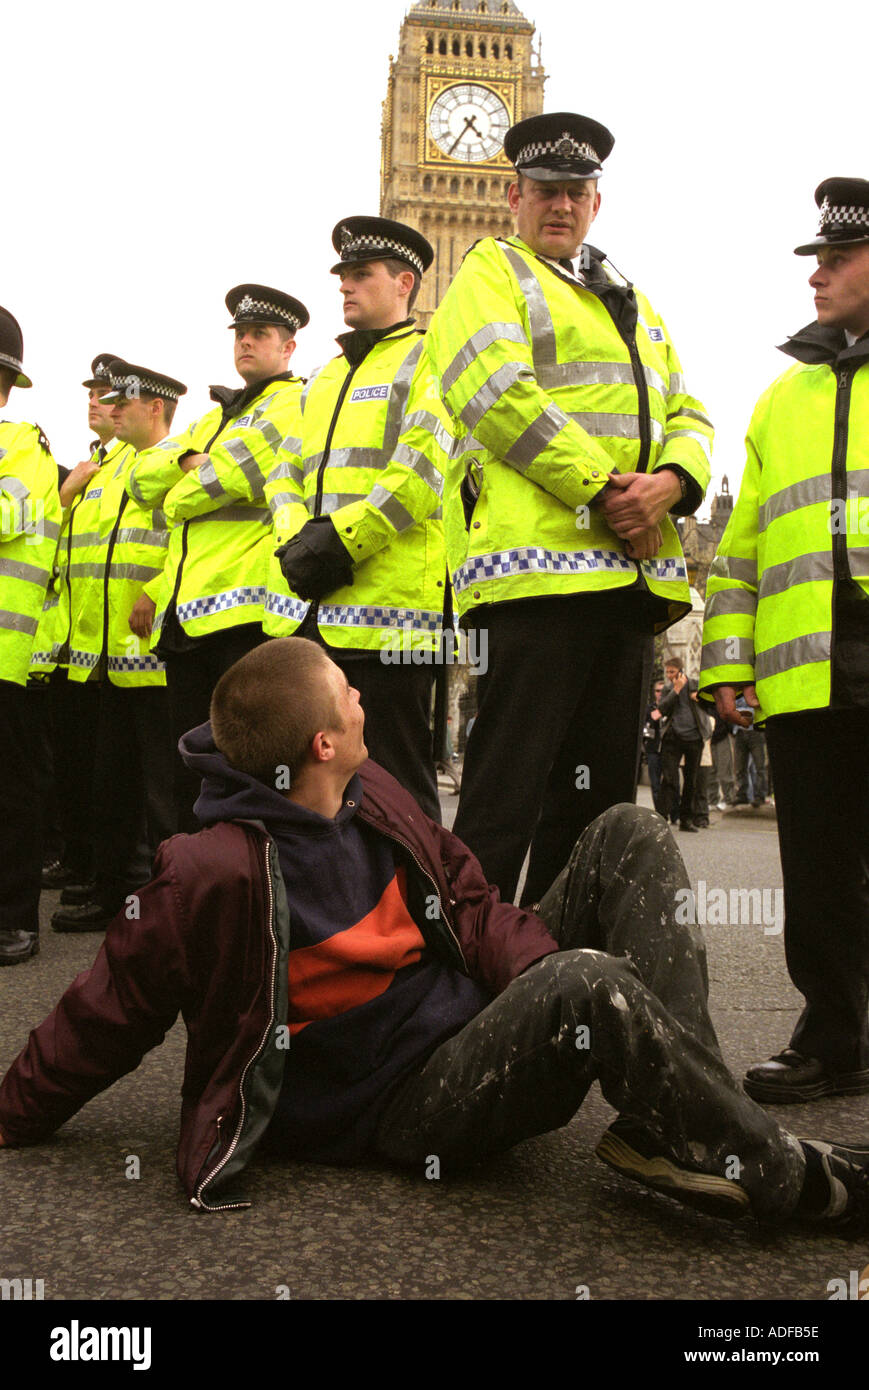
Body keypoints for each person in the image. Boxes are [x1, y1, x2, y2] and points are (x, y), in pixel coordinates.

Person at [0, 636, 867, 1237]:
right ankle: (783, 1176)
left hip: (465, 1015)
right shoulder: (207, 871)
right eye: (347, 687)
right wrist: (11, 1113)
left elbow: (471, 902)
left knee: (624, 833)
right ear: (322, 740)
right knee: (589, 983)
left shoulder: (366, 790)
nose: (361, 690)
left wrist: (539, 983)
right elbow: (100, 1012)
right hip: (402, 1104)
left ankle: (681, 1123)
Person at [426, 112, 713, 903]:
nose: (561, 205)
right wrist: (608, 488)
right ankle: (459, 984)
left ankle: (557, 978)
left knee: (595, 810)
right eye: (545, 191)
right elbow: (493, 392)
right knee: (502, 797)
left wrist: (674, 485)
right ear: (513, 196)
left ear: (597, 202)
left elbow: (687, 410)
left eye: (576, 192)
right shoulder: (491, 272)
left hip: (625, 585)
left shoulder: (633, 302)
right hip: (532, 584)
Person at [700, 177, 869, 1104]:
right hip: (807, 669)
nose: (818, 274)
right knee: (815, 874)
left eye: (837, 258)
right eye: (816, 258)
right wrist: (726, 662)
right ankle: (833, 1039)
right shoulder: (781, 396)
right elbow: (743, 550)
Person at [266, 216, 450, 821]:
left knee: (394, 784)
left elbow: (421, 472)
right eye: (342, 275)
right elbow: (282, 471)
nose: (345, 286)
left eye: (360, 275)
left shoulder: (432, 361)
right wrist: (299, 541)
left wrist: (339, 544)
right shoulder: (323, 378)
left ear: (404, 283)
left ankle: (420, 908)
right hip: (311, 611)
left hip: (391, 617)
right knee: (310, 782)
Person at [127, 284, 308, 830]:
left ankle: (241, 890)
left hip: (240, 618)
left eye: (261, 334)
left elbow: (239, 476)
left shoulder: (293, 401)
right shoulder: (211, 419)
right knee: (183, 768)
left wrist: (181, 487)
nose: (247, 343)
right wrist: (189, 458)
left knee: (239, 768)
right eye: (242, 334)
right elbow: (140, 480)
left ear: (288, 348)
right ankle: (189, 885)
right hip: (185, 619)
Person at [50, 360, 183, 934]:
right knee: (111, 785)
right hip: (102, 651)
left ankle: (158, 901)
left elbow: (182, 539)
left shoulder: (172, 463)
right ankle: (116, 895)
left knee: (161, 793)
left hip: (149, 653)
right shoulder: (104, 469)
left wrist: (156, 590)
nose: (111, 406)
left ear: (153, 406)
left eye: (121, 399)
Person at [33, 353, 132, 898]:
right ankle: (76, 858)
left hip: (111, 643)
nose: (94, 399)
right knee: (72, 763)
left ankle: (101, 870)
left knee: (103, 770)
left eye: (106, 392)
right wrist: (67, 493)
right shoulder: (90, 465)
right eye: (91, 391)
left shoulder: (127, 464)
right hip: (74, 642)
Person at [0, 306, 62, 965]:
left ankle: (14, 920)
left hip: (5, 653)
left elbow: (7, 510)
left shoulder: (23, 444)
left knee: (12, 792)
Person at [657, 657, 708, 832]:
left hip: (694, 738)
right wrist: (675, 691)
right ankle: (661, 818)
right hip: (673, 738)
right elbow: (661, 709)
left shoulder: (695, 684)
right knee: (669, 779)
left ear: (680, 670)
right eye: (667, 672)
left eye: (672, 672)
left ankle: (686, 820)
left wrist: (699, 699)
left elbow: (711, 704)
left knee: (691, 780)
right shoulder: (668, 688)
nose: (669, 675)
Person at [641, 678, 666, 815]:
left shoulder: (670, 706)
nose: (660, 694)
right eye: (657, 691)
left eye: (662, 691)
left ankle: (673, 813)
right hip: (653, 749)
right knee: (655, 783)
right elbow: (645, 727)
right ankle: (660, 812)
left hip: (668, 749)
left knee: (670, 782)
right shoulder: (649, 709)